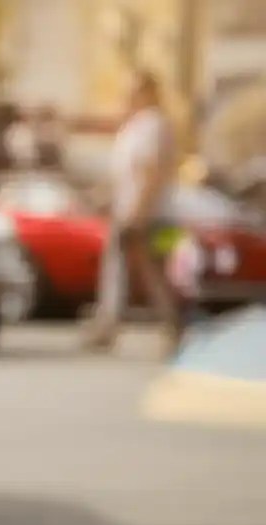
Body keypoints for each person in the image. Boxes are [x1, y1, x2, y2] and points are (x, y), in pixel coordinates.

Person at [83, 70, 185, 355]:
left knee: (154, 273)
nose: (130, 96)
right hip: (132, 210)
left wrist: (138, 213)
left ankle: (172, 327)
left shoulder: (154, 124)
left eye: (135, 91)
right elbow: (124, 174)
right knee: (121, 271)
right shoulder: (137, 125)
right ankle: (109, 326)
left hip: (151, 214)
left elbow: (153, 172)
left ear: (149, 92)